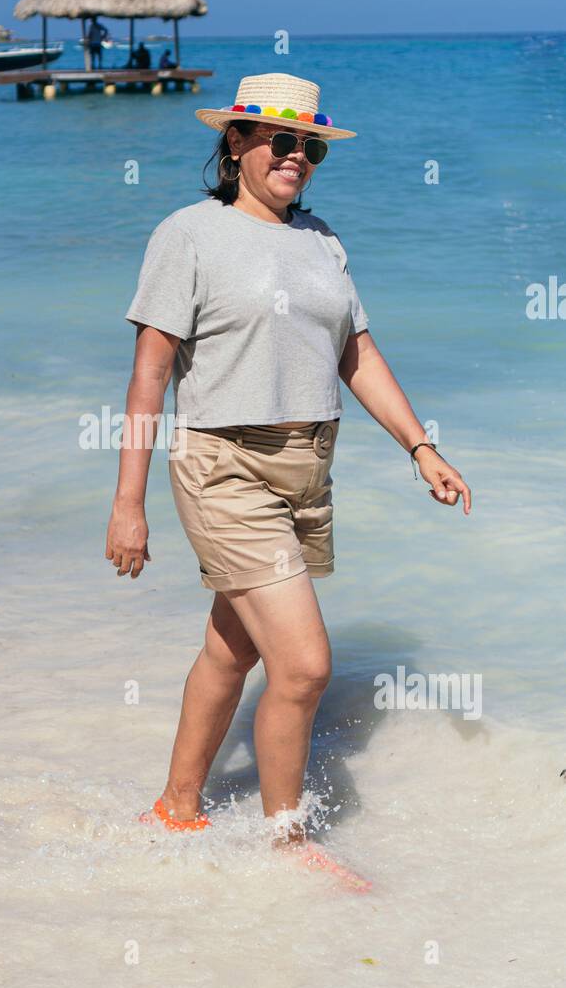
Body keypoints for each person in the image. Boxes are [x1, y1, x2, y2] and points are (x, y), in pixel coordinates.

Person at [105, 72, 471, 890]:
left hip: (308, 469)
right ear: (235, 143)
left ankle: (175, 807)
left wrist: (421, 447)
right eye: (281, 140)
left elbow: (358, 356)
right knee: (303, 666)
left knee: (231, 647)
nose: (297, 157)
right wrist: (128, 504)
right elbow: (148, 377)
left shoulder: (322, 241)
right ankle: (285, 840)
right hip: (222, 466)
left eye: (309, 145)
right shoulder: (188, 236)